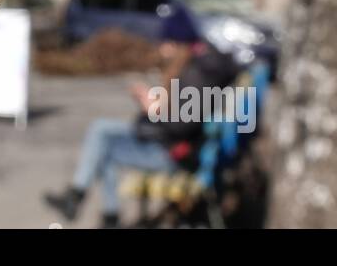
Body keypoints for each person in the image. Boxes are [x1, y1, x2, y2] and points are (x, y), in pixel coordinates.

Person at [43, 39, 239, 228]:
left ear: (177, 43)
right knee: (100, 134)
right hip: (167, 144)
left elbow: (180, 126)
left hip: (171, 154)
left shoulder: (195, 75)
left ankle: (88, 203)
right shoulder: (193, 71)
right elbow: (182, 115)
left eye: (165, 42)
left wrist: (152, 108)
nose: (161, 48)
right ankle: (96, 208)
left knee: (101, 142)